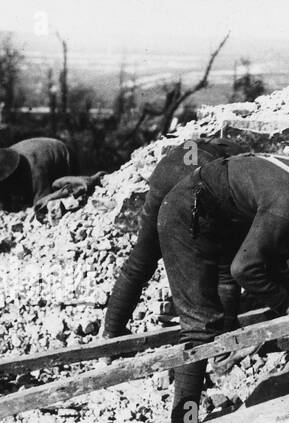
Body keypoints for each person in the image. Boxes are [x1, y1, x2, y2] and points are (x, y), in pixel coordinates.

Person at [156, 152, 289, 423]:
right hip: (185, 215)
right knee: (199, 323)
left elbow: (276, 227)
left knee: (227, 293)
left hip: (217, 214)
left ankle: (223, 366)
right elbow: (245, 268)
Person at [102, 138, 257, 338]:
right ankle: (224, 339)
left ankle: (112, 331)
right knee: (225, 268)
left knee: (141, 259)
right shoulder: (249, 168)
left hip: (169, 167)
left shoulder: (223, 148)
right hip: (197, 181)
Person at [0, 137, 75, 215]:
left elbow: (42, 199)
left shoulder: (34, 169)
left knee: (70, 192)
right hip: (36, 157)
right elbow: (0, 204)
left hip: (62, 155)